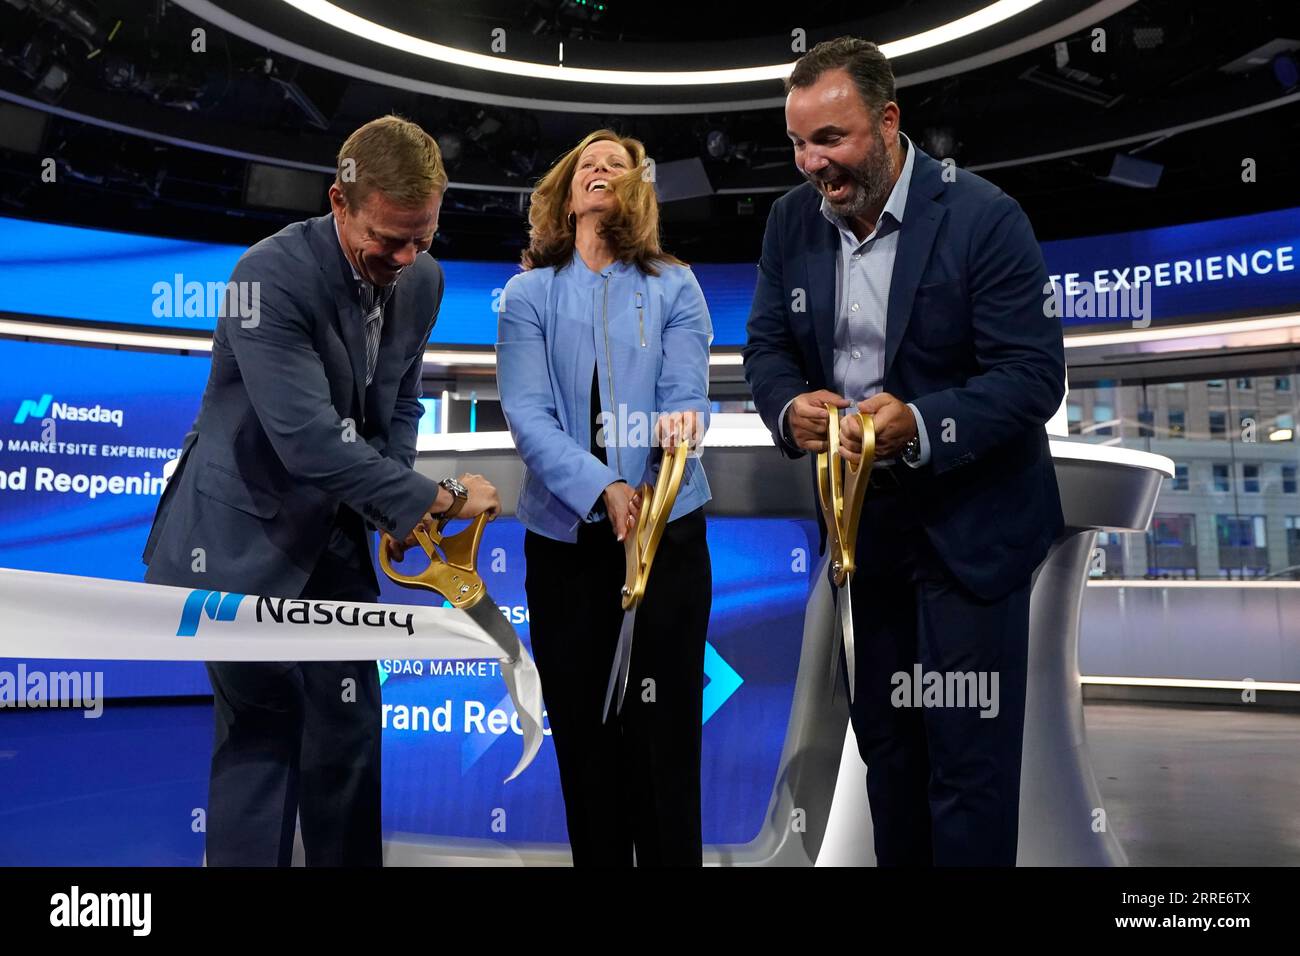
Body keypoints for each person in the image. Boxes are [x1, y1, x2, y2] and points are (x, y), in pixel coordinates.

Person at [142, 114, 500, 867]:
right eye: (390, 238)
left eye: (423, 236)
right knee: (263, 738)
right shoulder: (264, 276)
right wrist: (431, 498)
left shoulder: (423, 280)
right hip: (240, 541)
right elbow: (306, 441)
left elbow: (398, 400)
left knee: (348, 733)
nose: (405, 257)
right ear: (339, 203)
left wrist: (395, 509)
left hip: (333, 536)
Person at [743, 38, 1066, 866]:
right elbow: (768, 349)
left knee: (968, 768)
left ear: (889, 121)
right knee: (889, 760)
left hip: (971, 535)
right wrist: (787, 409)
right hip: (865, 541)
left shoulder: (985, 216)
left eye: (833, 139)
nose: (813, 162)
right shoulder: (790, 223)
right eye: (799, 142)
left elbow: (1032, 378)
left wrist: (917, 426)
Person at [496, 129, 714, 866]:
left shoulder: (676, 285)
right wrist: (603, 487)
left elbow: (688, 397)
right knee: (586, 745)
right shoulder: (528, 293)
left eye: (616, 166)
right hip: (566, 547)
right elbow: (528, 415)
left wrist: (665, 460)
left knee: (666, 739)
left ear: (636, 190)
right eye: (586, 164)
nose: (599, 171)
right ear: (565, 191)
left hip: (668, 537)